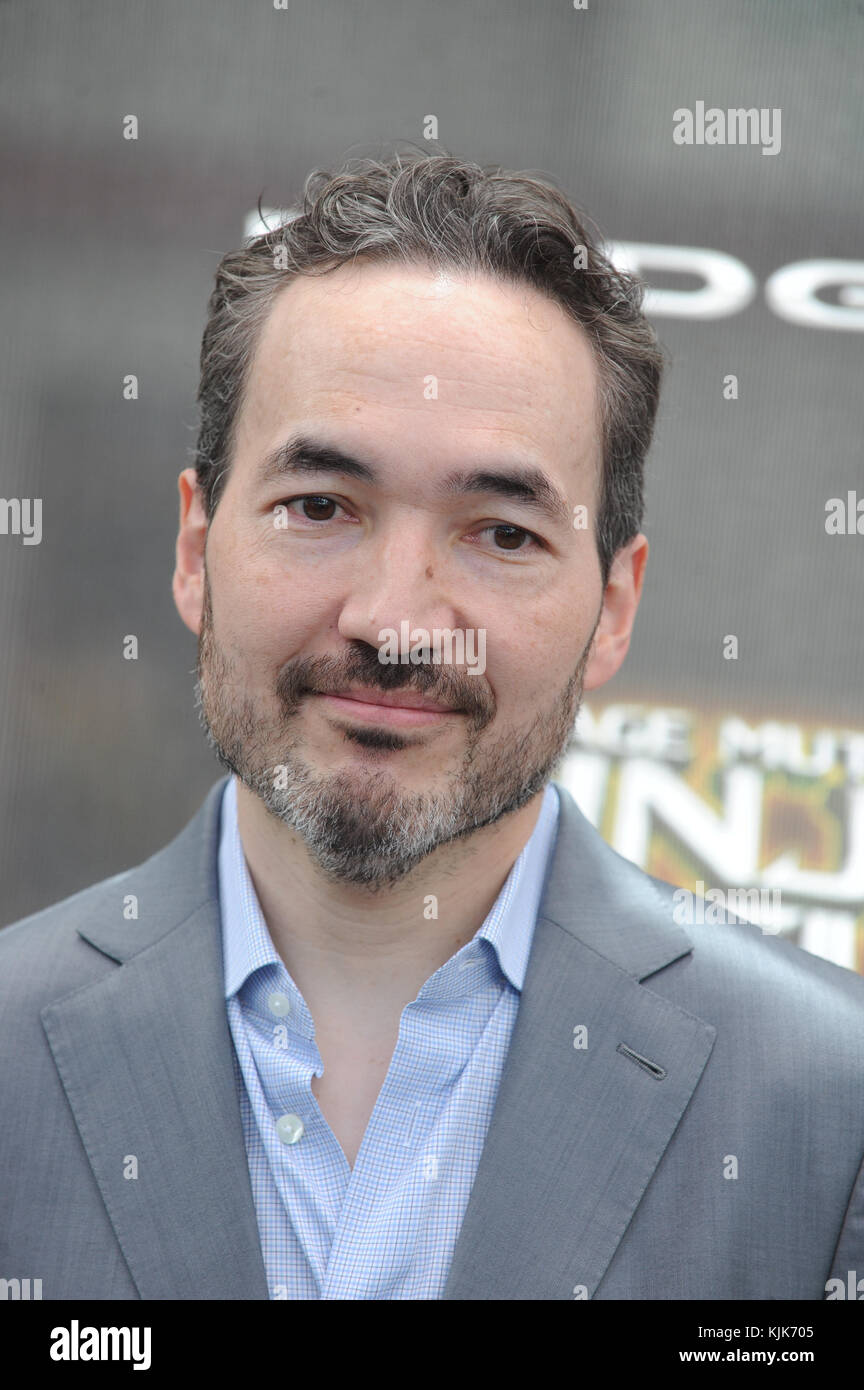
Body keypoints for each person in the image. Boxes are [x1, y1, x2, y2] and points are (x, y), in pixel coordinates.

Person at [2, 151, 862, 1301]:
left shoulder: (829, 1109)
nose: (397, 622)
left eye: (502, 533)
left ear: (614, 608)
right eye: (319, 506)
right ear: (196, 550)